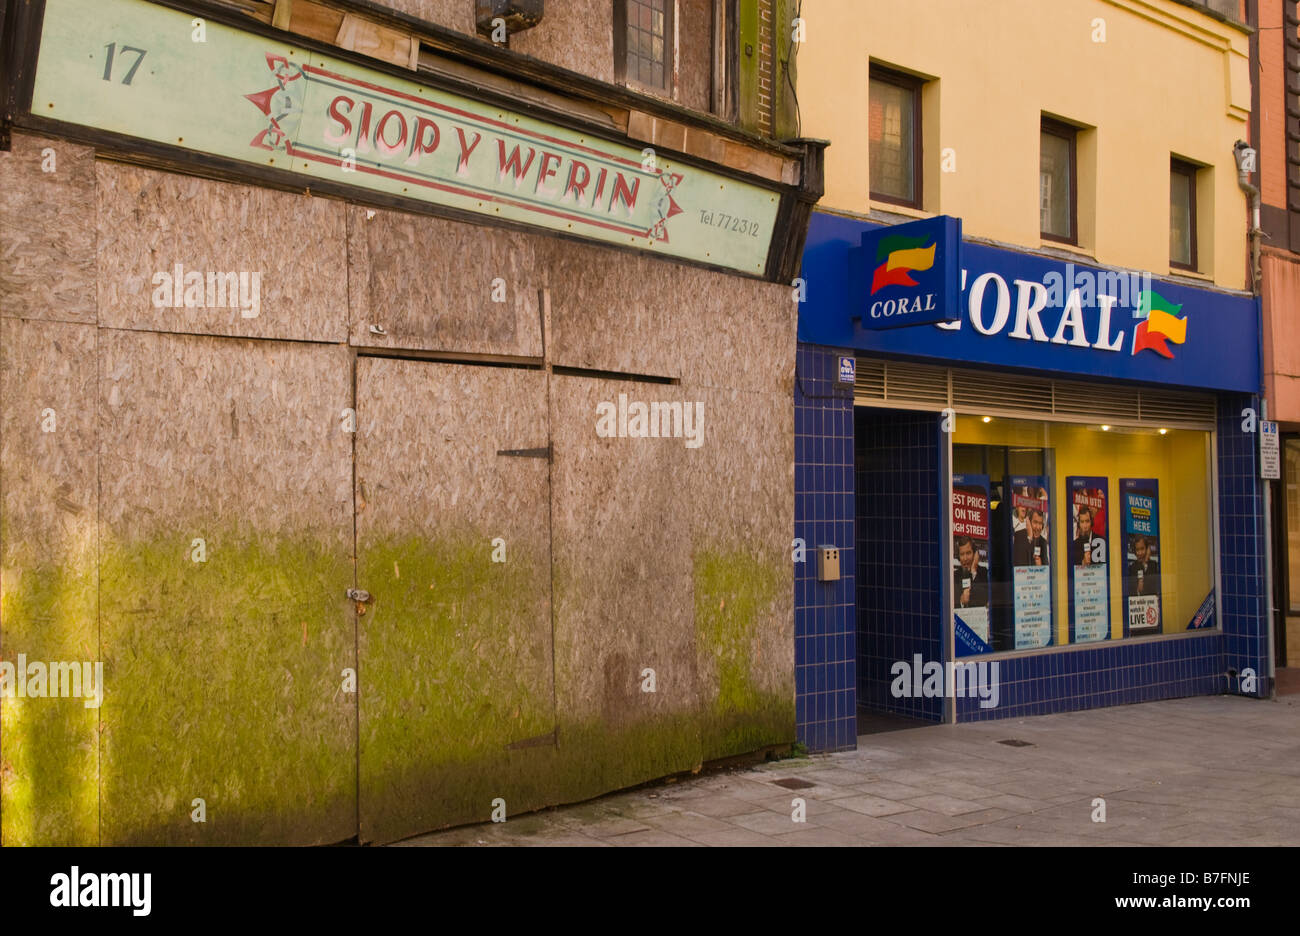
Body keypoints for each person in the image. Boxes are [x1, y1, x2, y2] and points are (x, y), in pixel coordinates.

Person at [953, 536, 989, 609]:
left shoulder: (983, 572)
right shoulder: (955, 576)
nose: (965, 558)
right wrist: (961, 602)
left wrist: (973, 571)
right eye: (962, 554)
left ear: (975, 554)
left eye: (968, 553)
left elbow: (983, 598)